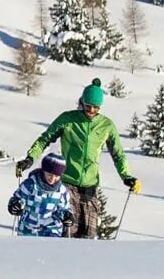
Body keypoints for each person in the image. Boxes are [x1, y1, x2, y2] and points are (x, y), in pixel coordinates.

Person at [14, 78, 139, 239]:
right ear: (82, 102)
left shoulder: (106, 126)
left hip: (90, 186)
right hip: (67, 182)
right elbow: (45, 139)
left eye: (96, 107)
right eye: (88, 106)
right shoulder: (68, 120)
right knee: (67, 230)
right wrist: (30, 158)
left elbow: (118, 154)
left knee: (89, 234)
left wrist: (126, 176)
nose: (91, 110)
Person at [7, 153, 71, 237]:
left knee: (50, 247)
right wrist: (15, 204)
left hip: (51, 228)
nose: (52, 178)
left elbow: (63, 209)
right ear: (44, 171)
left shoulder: (61, 191)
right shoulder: (30, 185)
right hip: (28, 228)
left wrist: (67, 216)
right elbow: (19, 197)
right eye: (49, 174)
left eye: (56, 176)